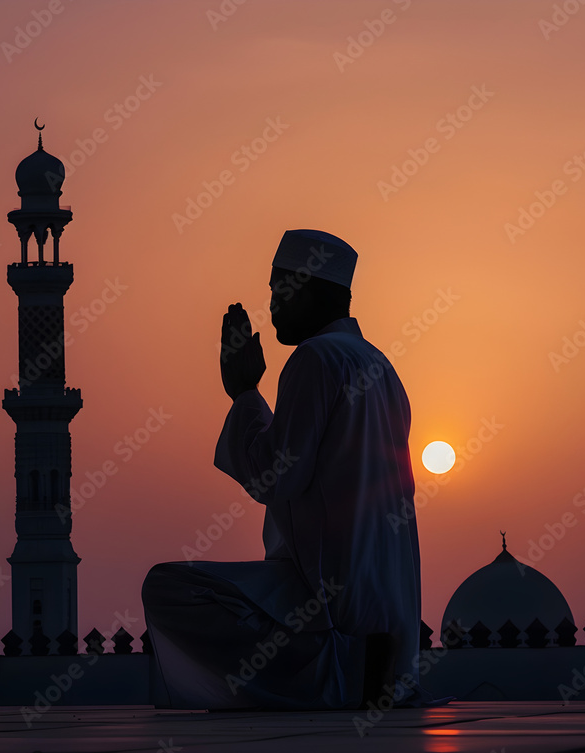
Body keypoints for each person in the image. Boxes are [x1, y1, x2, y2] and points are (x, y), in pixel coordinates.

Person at [142, 229, 447, 710]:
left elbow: (277, 477)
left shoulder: (315, 359)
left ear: (307, 290)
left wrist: (244, 392)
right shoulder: (380, 365)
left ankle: (335, 674)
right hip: (381, 611)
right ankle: (370, 666)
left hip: (331, 606)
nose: (271, 306)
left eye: (278, 291)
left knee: (168, 587)